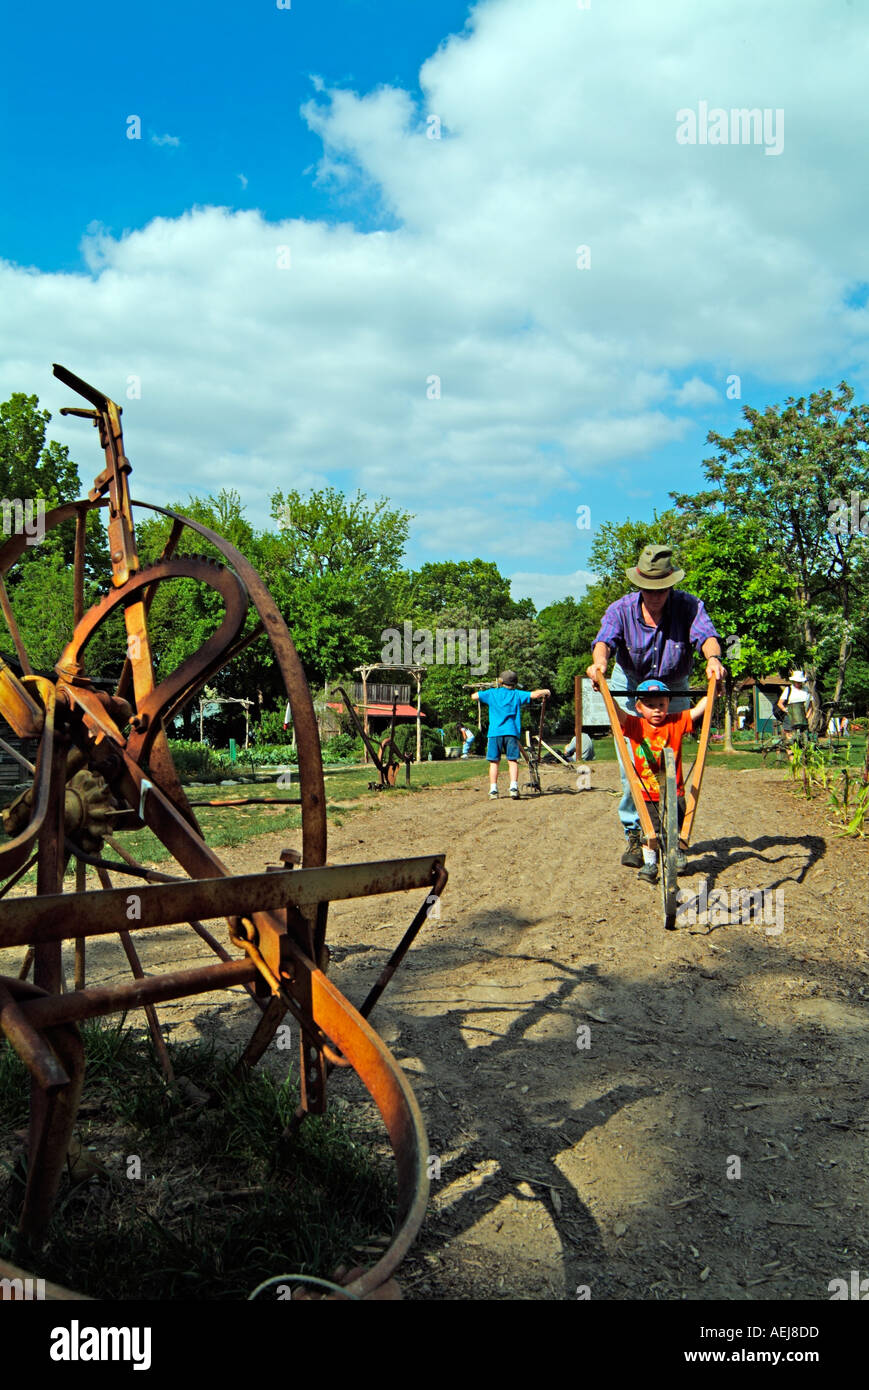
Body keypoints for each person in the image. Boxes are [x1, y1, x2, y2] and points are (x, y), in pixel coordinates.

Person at [586, 543, 724, 867]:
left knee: (668, 754)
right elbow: (604, 641)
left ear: (671, 584)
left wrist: (713, 659)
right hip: (631, 682)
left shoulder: (689, 607)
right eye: (648, 589)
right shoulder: (621, 609)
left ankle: (671, 828)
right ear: (638, 584)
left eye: (661, 589)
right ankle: (636, 833)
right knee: (631, 763)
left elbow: (707, 636)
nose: (655, 595)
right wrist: (599, 664)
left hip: (673, 683)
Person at [612, 678, 714, 883]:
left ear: (668, 703)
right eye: (650, 705)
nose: (657, 710)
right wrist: (604, 691)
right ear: (639, 707)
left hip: (674, 791)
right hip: (646, 793)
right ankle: (650, 864)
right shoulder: (634, 725)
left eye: (661, 704)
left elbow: (697, 711)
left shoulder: (675, 723)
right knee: (650, 830)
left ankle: (677, 853)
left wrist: (713, 689)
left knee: (676, 826)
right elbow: (617, 713)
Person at [473, 670, 551, 799]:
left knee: (494, 762)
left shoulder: (492, 693)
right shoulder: (516, 694)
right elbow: (534, 695)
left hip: (494, 733)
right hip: (511, 732)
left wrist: (492, 688)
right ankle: (513, 787)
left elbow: (474, 696)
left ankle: (493, 790)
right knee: (512, 760)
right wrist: (545, 691)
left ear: (501, 682)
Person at [777, 670, 812, 747]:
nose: (798, 683)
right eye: (797, 681)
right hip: (790, 716)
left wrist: (807, 716)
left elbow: (810, 705)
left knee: (804, 739)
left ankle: (803, 755)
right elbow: (780, 703)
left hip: (802, 717)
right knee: (790, 740)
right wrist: (786, 710)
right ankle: (792, 757)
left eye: (800, 682)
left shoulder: (806, 690)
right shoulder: (789, 690)